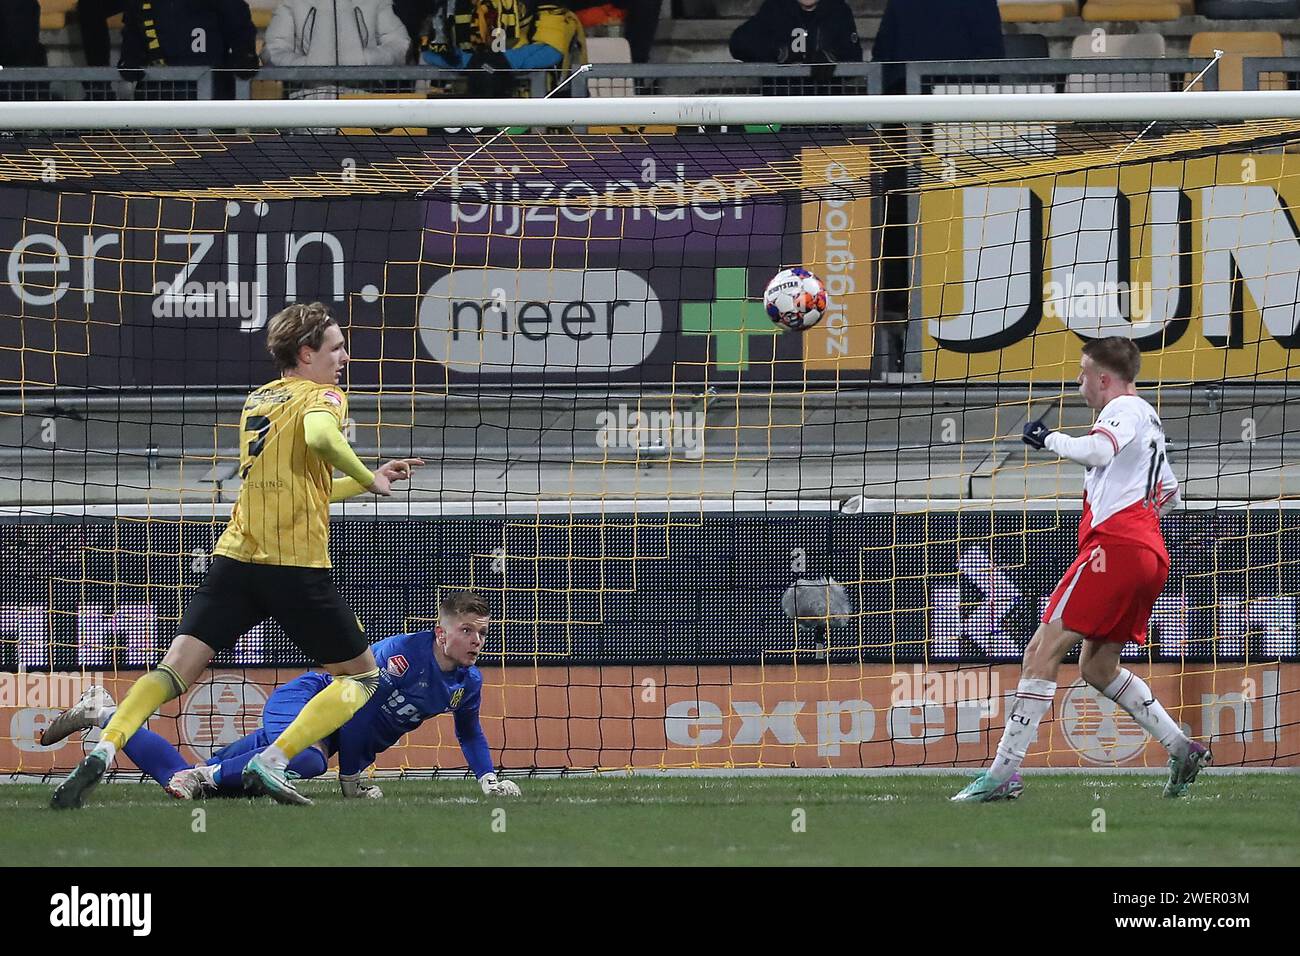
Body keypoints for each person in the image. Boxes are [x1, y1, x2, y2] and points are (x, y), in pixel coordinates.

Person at [52, 303, 425, 809]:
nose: (344, 357)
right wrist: (370, 477)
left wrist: (362, 481)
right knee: (361, 676)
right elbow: (319, 436)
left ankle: (104, 745)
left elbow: (299, 486)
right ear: (306, 352)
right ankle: (272, 761)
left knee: (174, 671)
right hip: (294, 566)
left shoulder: (258, 400)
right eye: (336, 347)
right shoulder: (325, 395)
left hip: (235, 557)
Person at [952, 337, 1210, 803]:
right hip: (1148, 553)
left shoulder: (1123, 411)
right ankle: (1180, 746)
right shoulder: (1149, 419)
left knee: (1042, 648)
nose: (1079, 381)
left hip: (1114, 546)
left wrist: (1046, 438)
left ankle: (1003, 773)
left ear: (1104, 378)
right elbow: (1170, 494)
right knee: (1097, 666)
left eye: (1084, 372)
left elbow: (1098, 452)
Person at [42, 593, 522, 801]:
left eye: (481, 631)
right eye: (467, 630)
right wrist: (351, 777)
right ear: (441, 633)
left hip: (326, 733)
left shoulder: (468, 682)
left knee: (195, 783)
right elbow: (359, 710)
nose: (477, 640)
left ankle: (104, 713)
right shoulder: (399, 655)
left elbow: (468, 731)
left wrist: (488, 780)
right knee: (309, 763)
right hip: (307, 702)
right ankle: (200, 769)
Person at [118, 0, 260, 99]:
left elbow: (239, 26)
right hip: (158, 95)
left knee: (211, 140)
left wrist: (244, 53)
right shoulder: (141, 3)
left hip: (212, 93)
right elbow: (133, 31)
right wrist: (130, 57)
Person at [263, 0, 412, 67]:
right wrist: (307, 66)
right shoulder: (293, 2)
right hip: (307, 103)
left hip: (361, 101)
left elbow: (399, 44)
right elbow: (273, 49)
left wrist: (366, 60)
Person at [728, 0, 863, 67]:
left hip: (824, 104)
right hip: (781, 103)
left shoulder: (838, 10)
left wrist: (829, 58)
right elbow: (739, 43)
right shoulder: (776, 8)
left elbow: (854, 57)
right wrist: (779, 53)